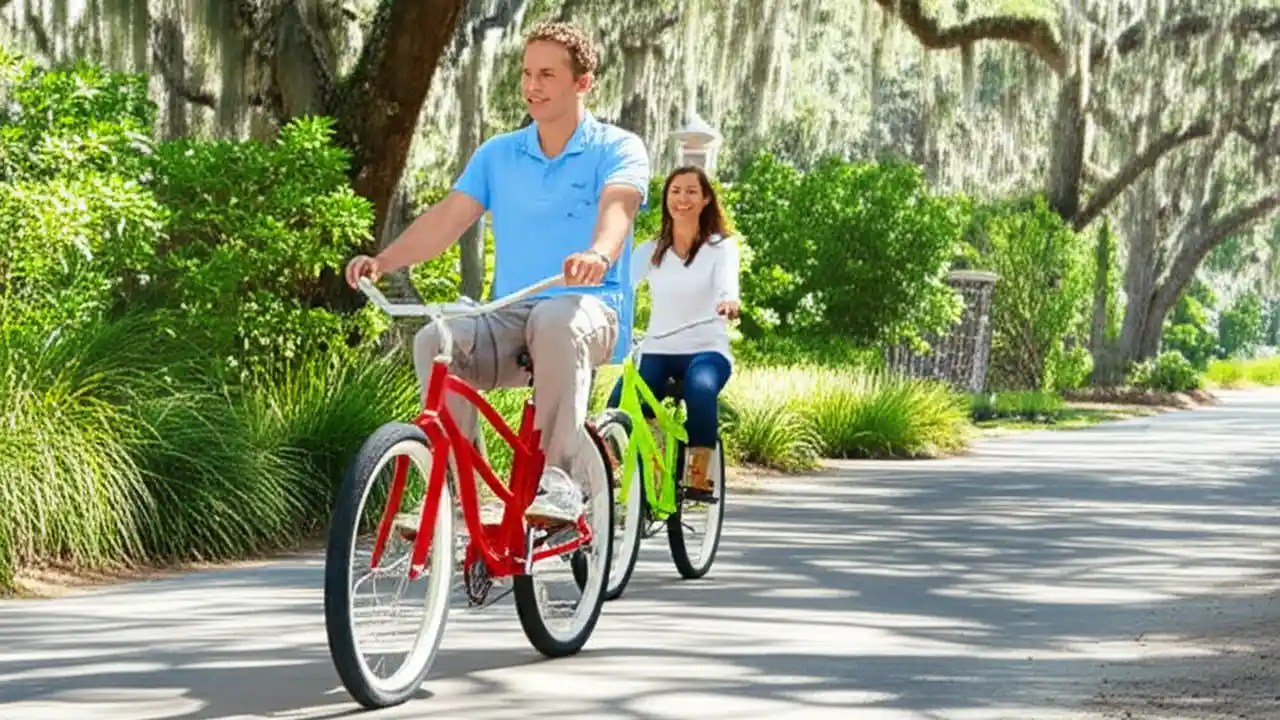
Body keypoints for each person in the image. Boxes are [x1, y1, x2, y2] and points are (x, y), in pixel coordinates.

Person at [344, 21, 650, 525]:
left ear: (582, 83)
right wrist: (384, 260)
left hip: (588, 310)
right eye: (527, 73)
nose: (532, 86)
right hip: (508, 314)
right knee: (436, 340)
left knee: (556, 321)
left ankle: (560, 481)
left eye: (547, 74)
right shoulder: (499, 154)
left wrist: (598, 253)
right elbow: (447, 219)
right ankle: (463, 494)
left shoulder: (617, 147)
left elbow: (618, 210)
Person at [607, 165, 740, 495]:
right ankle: (603, 465)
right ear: (666, 198)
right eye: (675, 191)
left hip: (707, 349)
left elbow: (727, 285)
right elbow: (620, 288)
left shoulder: (720, 247)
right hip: (658, 349)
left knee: (700, 388)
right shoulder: (650, 251)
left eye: (692, 191)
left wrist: (728, 303)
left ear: (706, 199)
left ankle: (698, 472)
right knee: (627, 396)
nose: (683, 198)